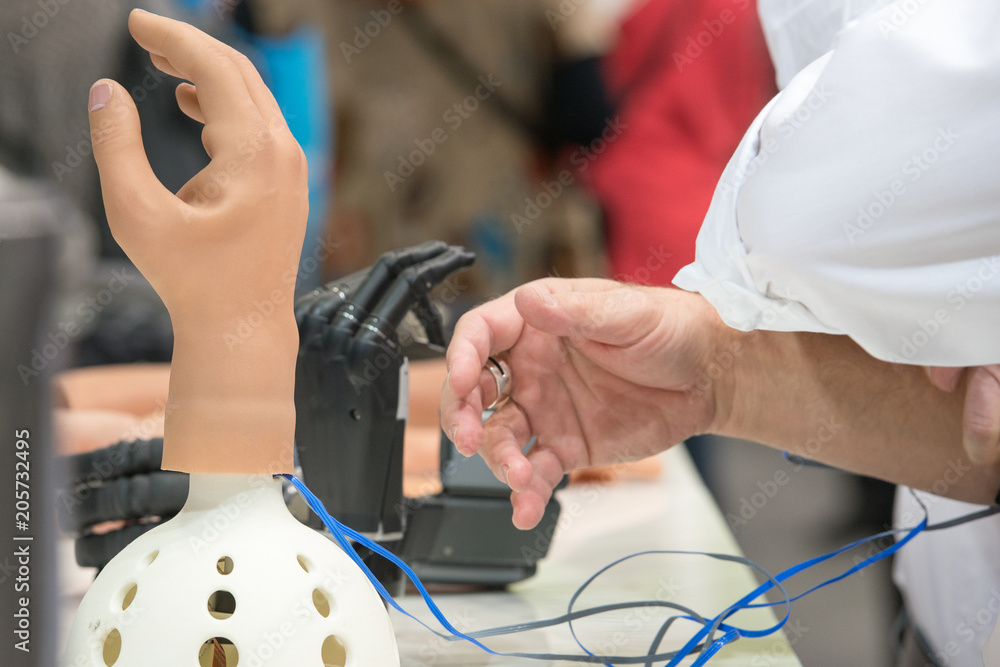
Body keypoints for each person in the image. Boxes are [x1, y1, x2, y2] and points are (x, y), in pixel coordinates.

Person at [440, 2, 1000, 665]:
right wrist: (715, 371)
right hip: (943, 600)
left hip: (688, 228)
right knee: (686, 475)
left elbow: (800, 212)